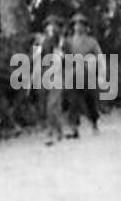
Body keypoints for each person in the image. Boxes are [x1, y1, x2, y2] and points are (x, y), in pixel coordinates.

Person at [63, 11, 104, 136]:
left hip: (88, 73)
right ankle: (74, 127)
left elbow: (99, 56)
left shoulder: (91, 42)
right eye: (76, 24)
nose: (78, 27)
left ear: (86, 27)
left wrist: (101, 73)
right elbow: (63, 56)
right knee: (73, 102)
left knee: (90, 100)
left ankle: (94, 123)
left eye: (81, 24)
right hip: (74, 74)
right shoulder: (68, 42)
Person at [33, 11, 67, 145]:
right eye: (49, 26)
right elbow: (35, 57)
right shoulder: (41, 42)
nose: (51, 28)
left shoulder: (63, 42)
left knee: (52, 104)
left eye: (53, 26)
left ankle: (50, 131)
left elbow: (67, 59)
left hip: (57, 75)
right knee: (48, 105)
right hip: (43, 75)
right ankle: (57, 129)